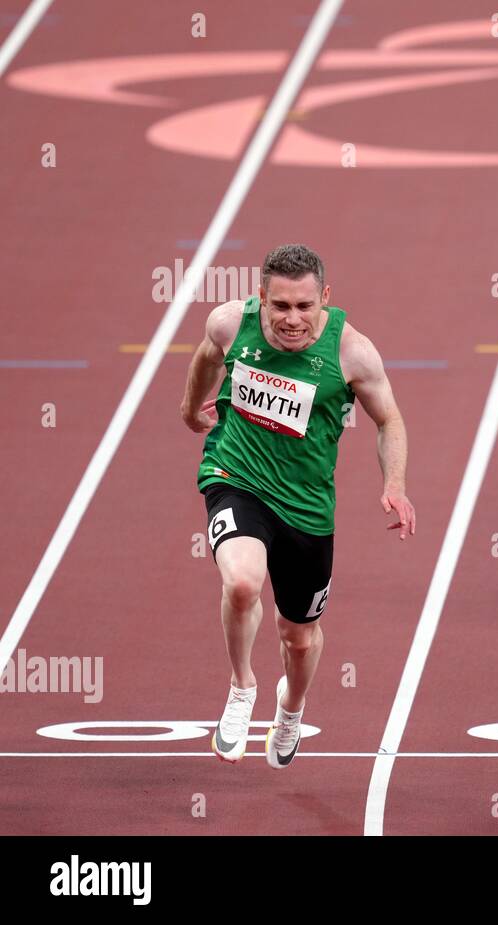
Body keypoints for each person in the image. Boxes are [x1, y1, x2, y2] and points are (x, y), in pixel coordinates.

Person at [180, 244, 415, 766]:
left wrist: (393, 484)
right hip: (235, 476)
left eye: (304, 307)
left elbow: (389, 420)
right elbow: (205, 358)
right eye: (280, 306)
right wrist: (189, 408)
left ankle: (291, 707)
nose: (292, 320)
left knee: (300, 638)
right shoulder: (227, 323)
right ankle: (242, 689)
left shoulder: (352, 353)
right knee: (241, 582)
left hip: (307, 508)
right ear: (261, 297)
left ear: (324, 299)